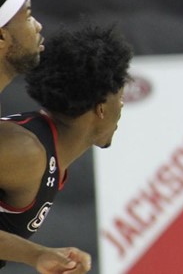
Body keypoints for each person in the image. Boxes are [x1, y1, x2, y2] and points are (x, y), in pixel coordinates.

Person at [0, 24, 131, 273]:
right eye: (120, 97)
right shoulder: (25, 150)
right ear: (101, 107)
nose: (122, 107)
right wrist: (36, 254)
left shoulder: (45, 150)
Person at [0, 0, 92, 274]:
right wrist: (36, 254)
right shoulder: (22, 149)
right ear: (1, 37)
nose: (38, 25)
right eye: (26, 16)